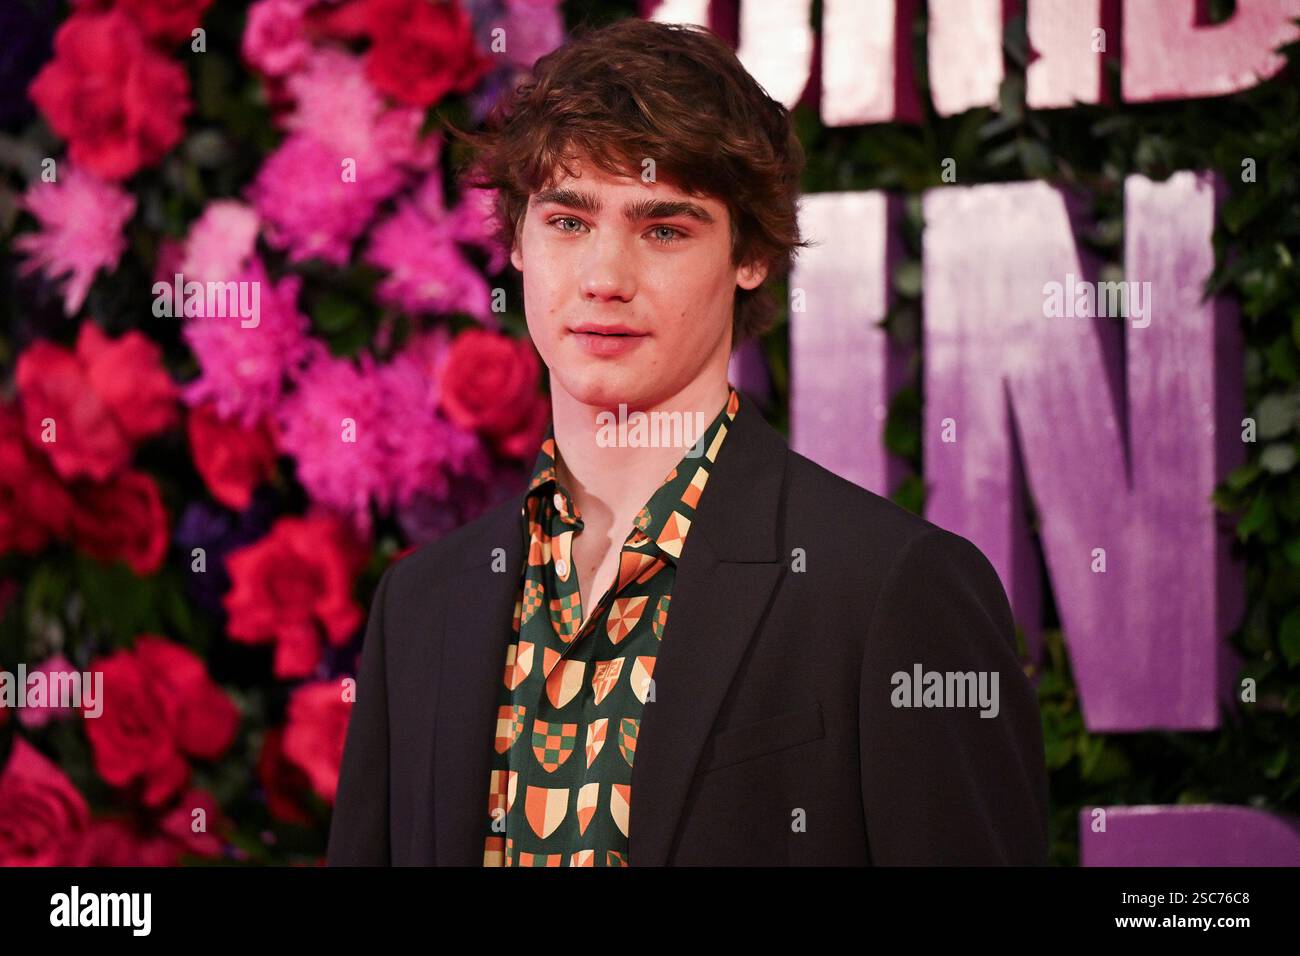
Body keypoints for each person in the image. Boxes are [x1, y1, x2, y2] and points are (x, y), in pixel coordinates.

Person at [327, 16, 1049, 866]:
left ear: (749, 255)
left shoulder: (892, 591)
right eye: (568, 222)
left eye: (663, 230)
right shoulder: (423, 608)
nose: (604, 279)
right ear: (517, 241)